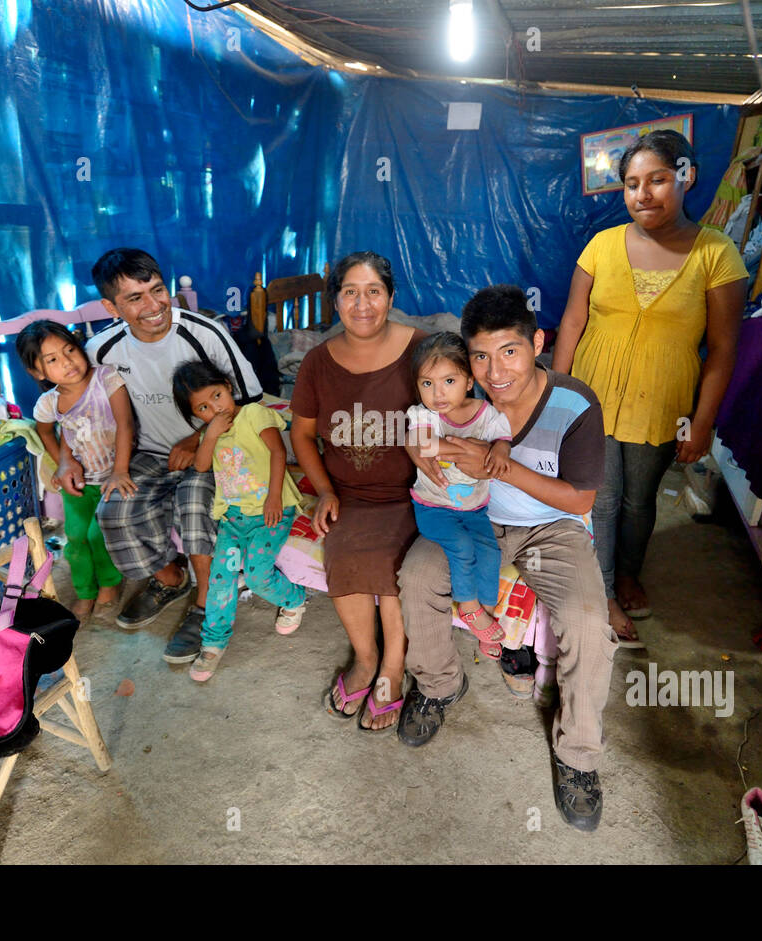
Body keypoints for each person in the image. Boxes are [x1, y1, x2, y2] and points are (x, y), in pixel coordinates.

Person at [397, 285, 616, 832]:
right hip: (474, 518)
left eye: (510, 352)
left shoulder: (575, 403)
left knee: (589, 622)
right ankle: (439, 684)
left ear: (537, 342)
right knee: (418, 575)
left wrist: (498, 466)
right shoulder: (456, 396)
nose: (496, 371)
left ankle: (579, 756)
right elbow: (416, 435)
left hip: (552, 528)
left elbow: (581, 500)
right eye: (480, 356)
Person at [552, 129, 749, 646]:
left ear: (686, 177)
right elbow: (571, 323)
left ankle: (629, 570)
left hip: (661, 404)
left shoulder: (717, 254)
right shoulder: (600, 247)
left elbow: (724, 349)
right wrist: (554, 396)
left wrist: (702, 422)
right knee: (603, 499)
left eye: (658, 179)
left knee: (640, 501)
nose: (643, 194)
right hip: (589, 399)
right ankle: (605, 588)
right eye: (632, 183)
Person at [76, 248, 263, 659]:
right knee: (114, 512)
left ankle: (205, 606)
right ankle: (170, 577)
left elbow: (249, 400)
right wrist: (70, 458)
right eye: (135, 298)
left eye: (157, 290)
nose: (154, 305)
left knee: (195, 503)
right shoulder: (102, 351)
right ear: (111, 306)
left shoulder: (205, 334)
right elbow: (81, 408)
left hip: (215, 450)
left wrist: (197, 440)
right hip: (149, 453)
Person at [290, 251, 426, 732]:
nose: (362, 303)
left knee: (397, 567)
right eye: (350, 292)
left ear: (390, 297)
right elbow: (302, 435)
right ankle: (367, 661)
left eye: (373, 291)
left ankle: (393, 668)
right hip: (350, 495)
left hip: (416, 494)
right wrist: (325, 491)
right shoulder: (317, 363)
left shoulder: (422, 349)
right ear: (336, 301)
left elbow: (457, 409)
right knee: (344, 554)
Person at [170, 359, 307, 682]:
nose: (215, 408)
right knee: (220, 580)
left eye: (217, 396)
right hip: (233, 519)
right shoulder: (212, 431)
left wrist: (274, 497)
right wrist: (211, 435)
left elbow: (277, 452)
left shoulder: (253, 414)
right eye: (203, 407)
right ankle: (213, 643)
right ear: (196, 415)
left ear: (229, 388)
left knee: (259, 576)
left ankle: (295, 598)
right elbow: (201, 467)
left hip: (271, 510)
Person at [404, 332, 513, 660]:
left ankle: (484, 617)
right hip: (433, 508)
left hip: (476, 509)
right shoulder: (423, 415)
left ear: (468, 381)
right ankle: (468, 608)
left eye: (448, 380)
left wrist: (501, 449)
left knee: (490, 554)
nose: (436, 394)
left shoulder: (486, 412)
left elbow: (503, 437)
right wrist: (476, 448)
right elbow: (424, 444)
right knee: (463, 548)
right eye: (427, 384)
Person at [16, 320, 132, 621]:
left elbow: (125, 423)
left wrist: (120, 470)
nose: (67, 362)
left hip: (113, 478)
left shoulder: (106, 379)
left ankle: (109, 583)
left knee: (98, 535)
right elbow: (45, 432)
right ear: (37, 372)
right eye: (53, 359)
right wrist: (63, 463)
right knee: (76, 537)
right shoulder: (49, 403)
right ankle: (85, 590)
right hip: (80, 484)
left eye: (70, 350)